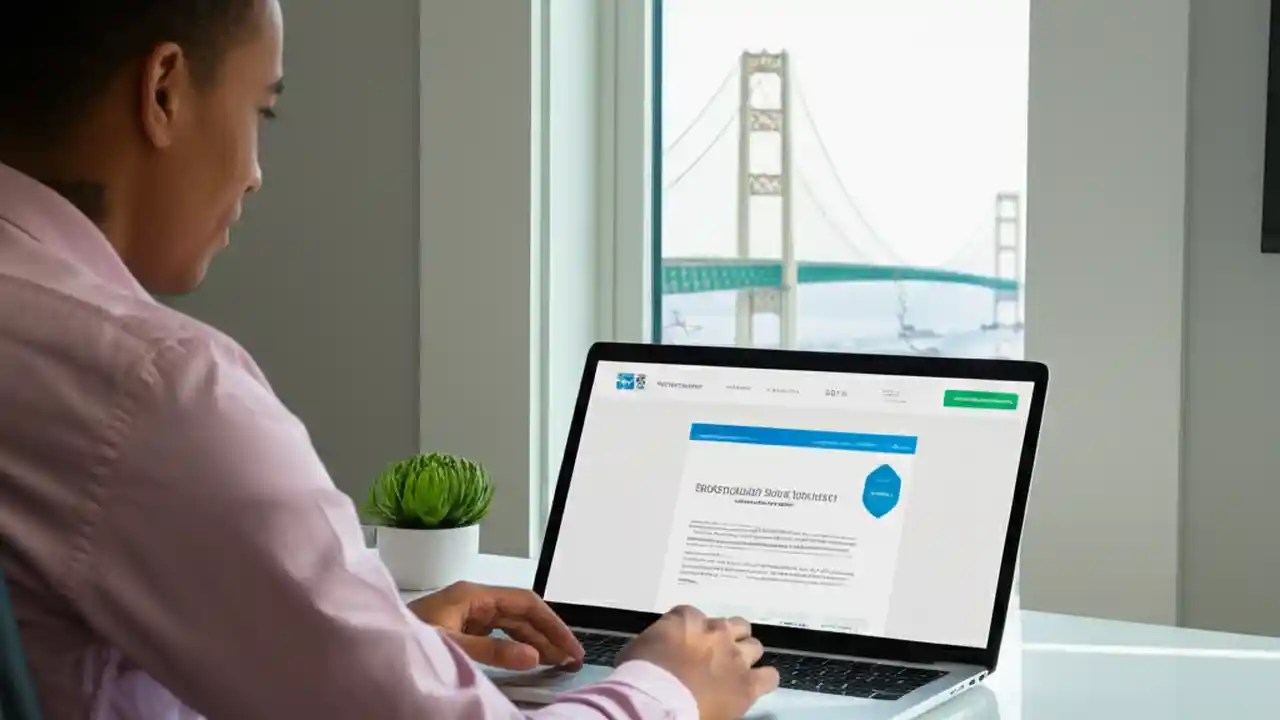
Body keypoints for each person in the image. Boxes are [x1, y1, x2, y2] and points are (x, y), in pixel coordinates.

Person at [0, 2, 779, 718]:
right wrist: (670, 687)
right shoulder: (156, 388)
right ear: (164, 91)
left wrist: (371, 642)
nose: (256, 173)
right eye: (261, 110)